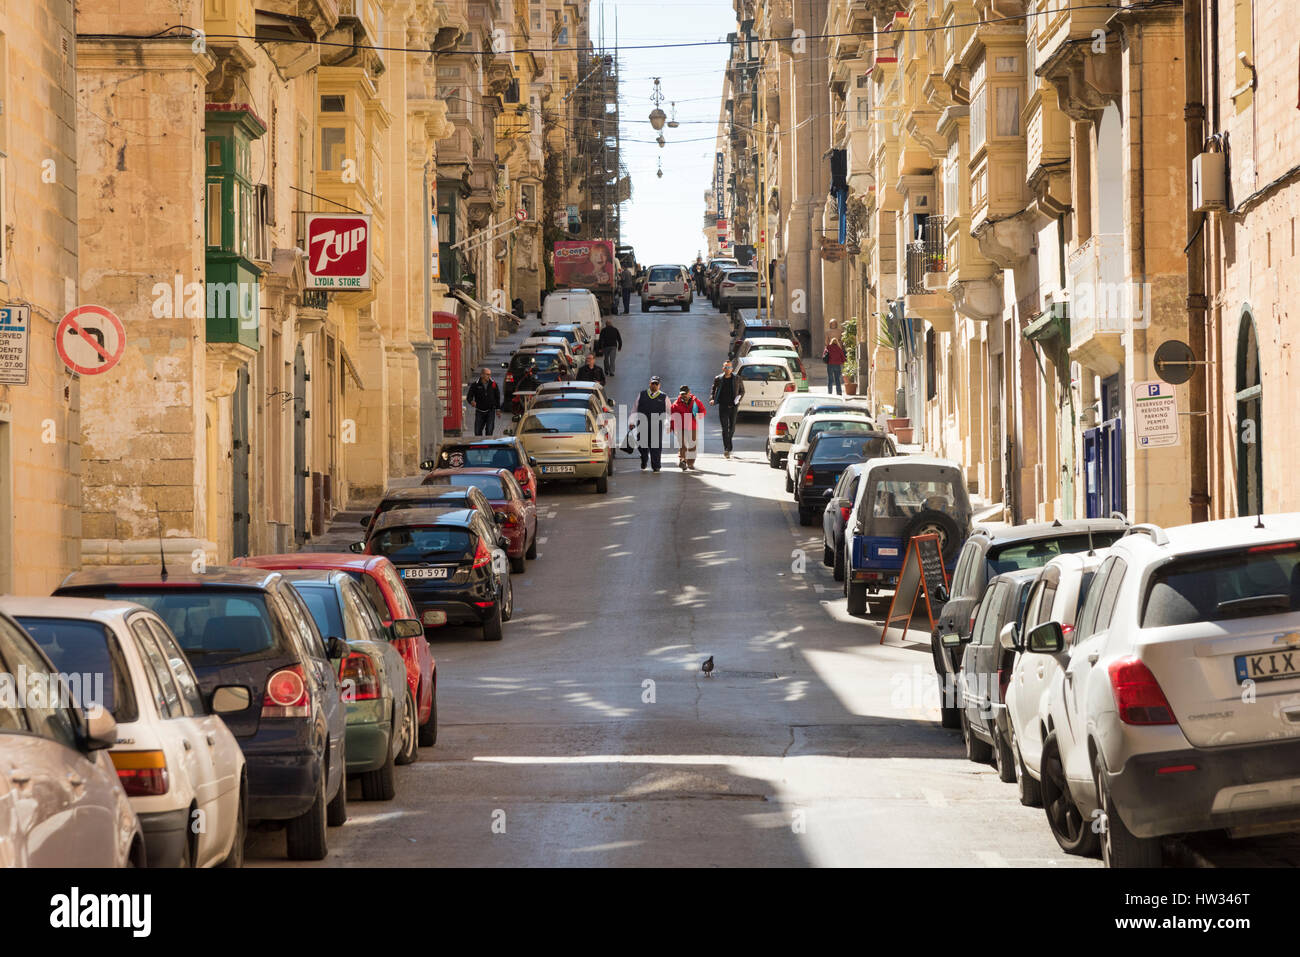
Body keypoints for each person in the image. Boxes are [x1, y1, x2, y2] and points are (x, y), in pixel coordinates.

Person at [709, 360, 745, 458]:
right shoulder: (718, 378)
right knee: (724, 428)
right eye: (726, 367)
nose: (728, 369)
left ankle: (728, 445)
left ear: (732, 369)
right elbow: (713, 389)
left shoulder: (737, 378)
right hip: (723, 406)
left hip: (733, 406)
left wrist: (739, 398)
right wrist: (712, 399)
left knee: (732, 428)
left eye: (729, 367)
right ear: (723, 368)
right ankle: (727, 449)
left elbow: (742, 391)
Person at [634, 375, 668, 471]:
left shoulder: (664, 397)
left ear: (659, 385)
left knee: (655, 447)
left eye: (656, 384)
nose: (654, 385)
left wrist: (667, 423)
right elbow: (635, 408)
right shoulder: (642, 394)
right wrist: (632, 422)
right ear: (650, 384)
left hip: (656, 426)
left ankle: (656, 466)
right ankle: (644, 460)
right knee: (642, 446)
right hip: (642, 424)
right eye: (653, 383)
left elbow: (669, 411)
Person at [669, 385, 706, 470]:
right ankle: (683, 461)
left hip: (692, 427)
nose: (684, 395)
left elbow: (703, 410)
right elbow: (672, 417)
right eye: (682, 394)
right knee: (683, 446)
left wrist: (699, 415)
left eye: (685, 393)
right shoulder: (675, 404)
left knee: (692, 446)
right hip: (680, 428)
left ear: (689, 392)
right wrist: (672, 427)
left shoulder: (696, 401)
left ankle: (690, 463)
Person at [465, 367, 501, 436]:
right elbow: (469, 397)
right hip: (479, 411)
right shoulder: (475, 385)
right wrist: (471, 401)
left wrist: (498, 409)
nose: (489, 376)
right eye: (487, 374)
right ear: (482, 375)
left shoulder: (493, 384)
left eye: (490, 374)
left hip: (491, 411)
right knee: (477, 431)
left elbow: (497, 397)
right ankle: (480, 445)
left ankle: (488, 445)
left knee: (489, 430)